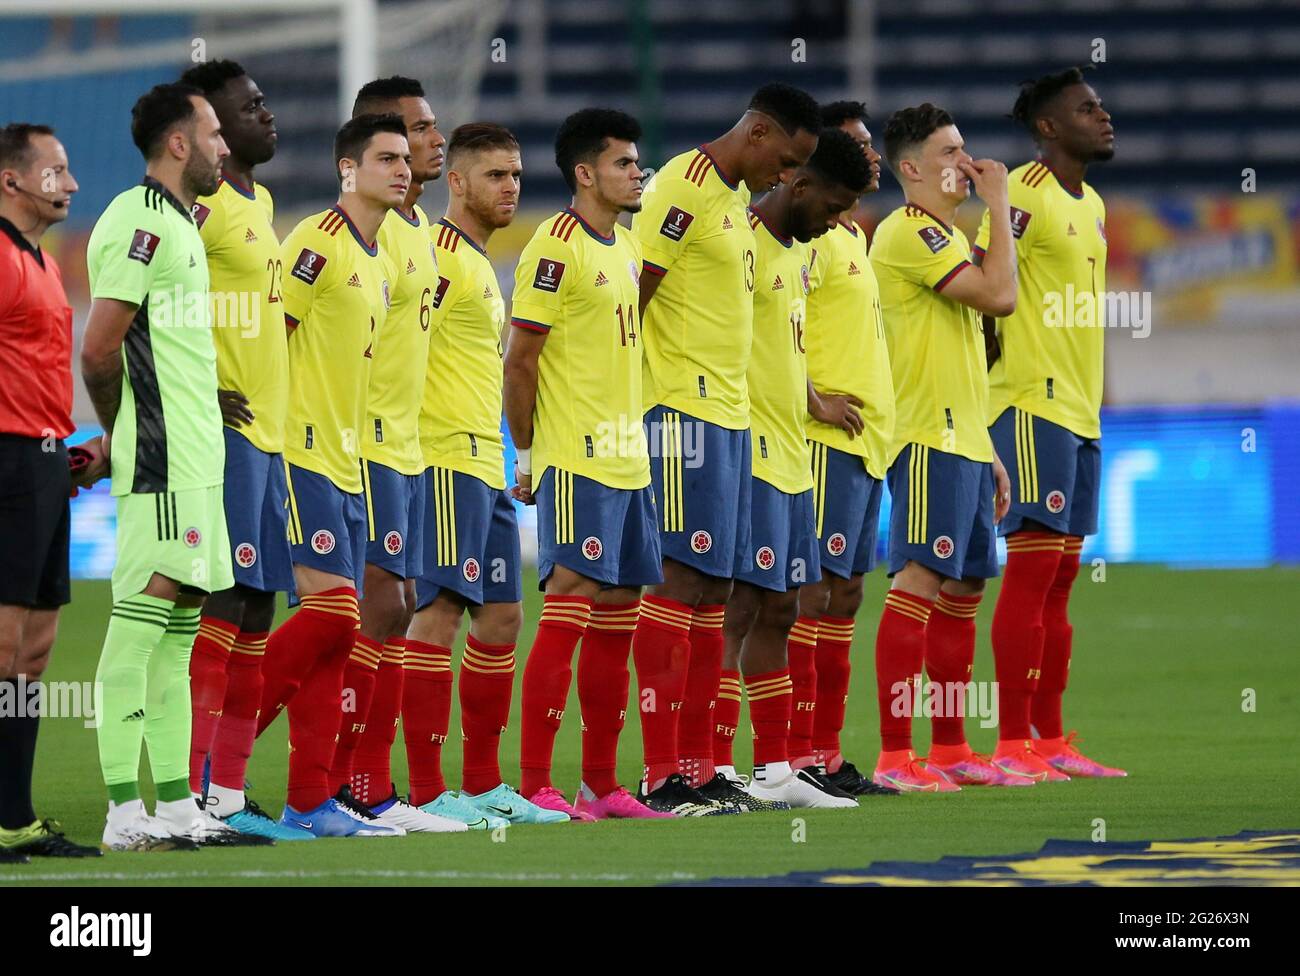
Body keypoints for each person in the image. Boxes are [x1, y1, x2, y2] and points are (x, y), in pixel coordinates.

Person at [628, 83, 821, 813]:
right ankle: (658, 776)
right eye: (787, 159)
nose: (786, 176)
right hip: (679, 412)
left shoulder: (735, 208)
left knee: (713, 595)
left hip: (732, 419)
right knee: (679, 585)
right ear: (760, 130)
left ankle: (700, 765)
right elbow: (634, 296)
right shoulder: (681, 184)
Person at [83, 83, 251, 849]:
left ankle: (179, 807)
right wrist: (127, 431)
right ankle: (124, 813)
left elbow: (159, 342)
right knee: (138, 627)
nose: (224, 146)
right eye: (213, 133)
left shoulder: (182, 223)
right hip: (160, 460)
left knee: (180, 631)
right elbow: (100, 346)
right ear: (178, 144)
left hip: (195, 456)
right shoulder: (137, 221)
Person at [505, 108, 675, 820]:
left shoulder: (628, 246)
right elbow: (521, 359)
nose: (638, 173)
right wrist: (532, 452)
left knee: (619, 619)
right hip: (577, 457)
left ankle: (601, 785)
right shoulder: (555, 246)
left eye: (638, 163)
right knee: (571, 605)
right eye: (624, 163)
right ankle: (537, 783)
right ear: (585, 173)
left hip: (631, 460)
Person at [365, 122, 527, 830]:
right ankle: (427, 791)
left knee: (502, 616)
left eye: (516, 175)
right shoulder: (434, 256)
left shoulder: (479, 265)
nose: (510, 187)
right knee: (436, 616)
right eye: (494, 175)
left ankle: (485, 784)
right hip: (440, 458)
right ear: (456, 182)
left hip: (482, 458)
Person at [254, 114, 411, 837]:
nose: (402, 169)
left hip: (349, 463)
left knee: (340, 635)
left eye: (405, 158)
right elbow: (271, 339)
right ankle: (213, 771)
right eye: (385, 158)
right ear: (349, 168)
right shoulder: (316, 240)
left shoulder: (378, 260)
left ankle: (309, 800)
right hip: (300, 449)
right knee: (333, 614)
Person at [323, 77, 466, 833]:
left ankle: (369, 788)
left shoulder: (414, 237)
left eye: (433, 129)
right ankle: (344, 785)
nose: (428, 144)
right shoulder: (346, 239)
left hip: (407, 448)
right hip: (358, 443)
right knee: (371, 609)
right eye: (414, 130)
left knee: (396, 611)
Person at [867, 103, 1023, 792]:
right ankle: (897, 757)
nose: (966, 162)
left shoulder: (945, 236)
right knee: (918, 585)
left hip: (962, 435)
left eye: (966, 147)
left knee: (963, 592)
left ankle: (953, 748)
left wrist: (986, 442)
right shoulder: (907, 231)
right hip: (925, 436)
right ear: (910, 170)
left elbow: (962, 349)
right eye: (949, 152)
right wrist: (1000, 204)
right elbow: (1002, 297)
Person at [976, 67, 1125, 779]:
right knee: (1032, 576)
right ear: (1047, 128)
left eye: (1100, 107)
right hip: (1029, 404)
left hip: (1078, 408)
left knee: (1063, 576)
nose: (1104, 117)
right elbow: (981, 288)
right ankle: (1011, 742)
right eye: (1086, 109)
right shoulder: (1023, 199)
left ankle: (1052, 736)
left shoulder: (1090, 202)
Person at [720, 128, 870, 810]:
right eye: (835, 207)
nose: (840, 222)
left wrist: (814, 400)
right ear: (801, 186)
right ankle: (711, 763)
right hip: (744, 443)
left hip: (792, 448)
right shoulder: (738, 241)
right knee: (737, 607)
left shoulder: (793, 251)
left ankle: (776, 771)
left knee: (781, 606)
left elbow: (782, 343)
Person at [176, 59, 305, 840]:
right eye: (244, 109)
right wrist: (197, 388)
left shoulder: (261, 201)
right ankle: (193, 788)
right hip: (226, 432)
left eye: (259, 104)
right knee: (222, 602)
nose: (264, 115)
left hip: (269, 436)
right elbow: (165, 294)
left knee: (256, 608)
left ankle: (226, 790)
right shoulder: (205, 205)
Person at [791, 101, 897, 796]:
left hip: (867, 445)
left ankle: (826, 755)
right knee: (812, 595)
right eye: (858, 148)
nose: (872, 158)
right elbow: (772, 332)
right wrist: (813, 399)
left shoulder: (853, 235)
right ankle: (796, 755)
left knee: (847, 594)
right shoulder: (808, 240)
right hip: (822, 440)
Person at [0, 122, 100, 859]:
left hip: (42, 463)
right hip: (5, 464)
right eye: (55, 172)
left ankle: (14, 816)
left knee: (34, 652)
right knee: (1, 649)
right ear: (12, 181)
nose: (69, 184)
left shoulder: (37, 259)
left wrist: (65, 451)